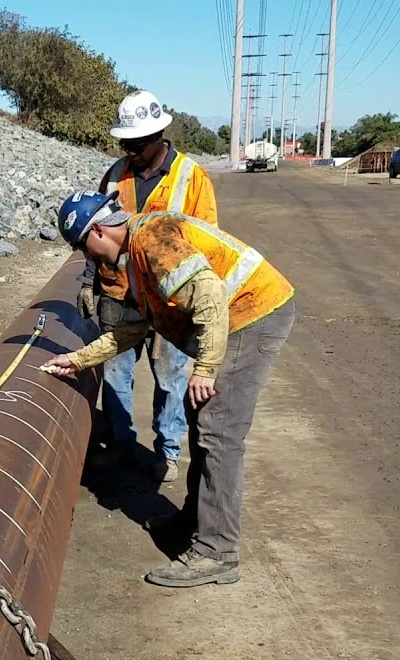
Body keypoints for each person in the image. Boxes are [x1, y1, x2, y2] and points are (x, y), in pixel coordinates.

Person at [44, 190, 295, 588]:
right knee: (202, 420)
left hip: (254, 313)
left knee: (218, 431)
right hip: (238, 316)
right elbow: (131, 332)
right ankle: (194, 522)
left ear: (96, 235)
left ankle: (217, 552)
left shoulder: (152, 240)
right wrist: (76, 360)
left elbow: (210, 295)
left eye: (83, 249)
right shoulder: (137, 260)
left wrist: (206, 369)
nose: (89, 259)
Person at [79, 90, 220, 486]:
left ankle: (167, 453)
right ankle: (122, 446)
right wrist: (91, 281)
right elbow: (98, 233)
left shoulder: (192, 178)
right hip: (119, 293)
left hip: (167, 300)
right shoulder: (114, 175)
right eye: (125, 143)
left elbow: (205, 242)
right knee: (115, 374)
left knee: (170, 378)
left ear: (159, 135)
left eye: (137, 143)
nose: (130, 150)